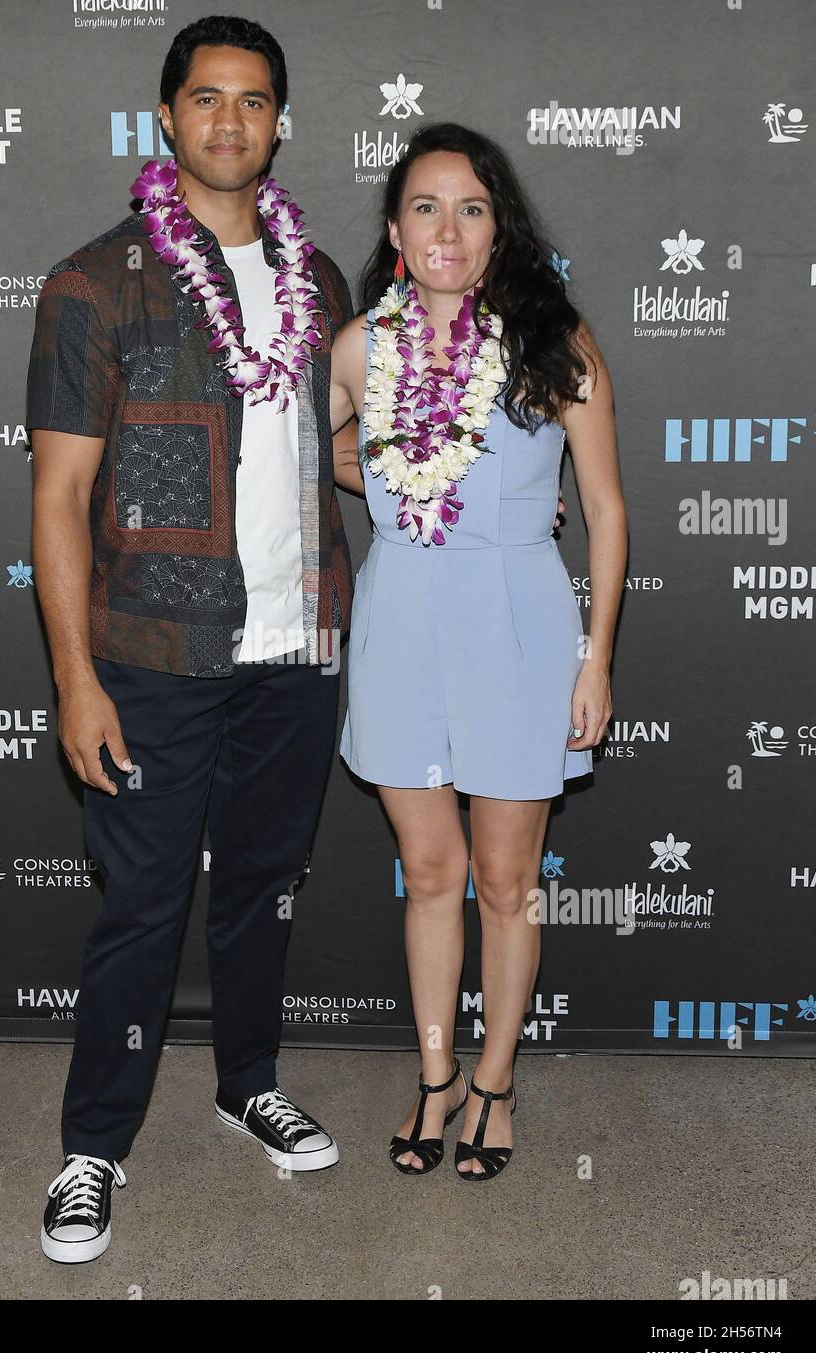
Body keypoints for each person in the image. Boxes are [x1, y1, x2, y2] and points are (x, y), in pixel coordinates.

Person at [25, 15, 356, 1262]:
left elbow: (319, 450)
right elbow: (58, 499)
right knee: (143, 907)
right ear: (163, 118)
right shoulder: (93, 282)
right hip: (151, 657)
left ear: (279, 123)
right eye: (205, 98)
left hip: (296, 644)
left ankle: (246, 1083)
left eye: (254, 100)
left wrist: (446, 479)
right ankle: (91, 1150)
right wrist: (72, 681)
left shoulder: (318, 282)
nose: (229, 120)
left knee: (264, 891)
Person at [328, 123, 627, 1181]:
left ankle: (494, 1080)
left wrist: (592, 661)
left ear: (498, 229)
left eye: (468, 207)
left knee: (503, 880)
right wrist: (403, 484)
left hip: (519, 625)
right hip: (402, 619)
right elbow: (330, 453)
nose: (445, 228)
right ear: (393, 231)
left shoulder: (555, 345)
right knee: (426, 871)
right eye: (423, 207)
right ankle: (434, 1073)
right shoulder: (359, 348)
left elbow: (601, 506)